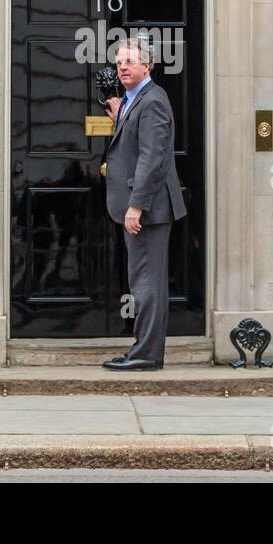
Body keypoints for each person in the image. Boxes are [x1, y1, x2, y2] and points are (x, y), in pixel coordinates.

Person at [100, 37, 186, 371]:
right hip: (143, 207)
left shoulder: (152, 101)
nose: (122, 67)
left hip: (148, 209)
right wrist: (120, 116)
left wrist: (136, 206)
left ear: (147, 66)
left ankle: (147, 355)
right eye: (119, 62)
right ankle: (142, 348)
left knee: (147, 283)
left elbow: (153, 158)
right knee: (143, 281)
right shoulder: (135, 100)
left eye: (130, 62)